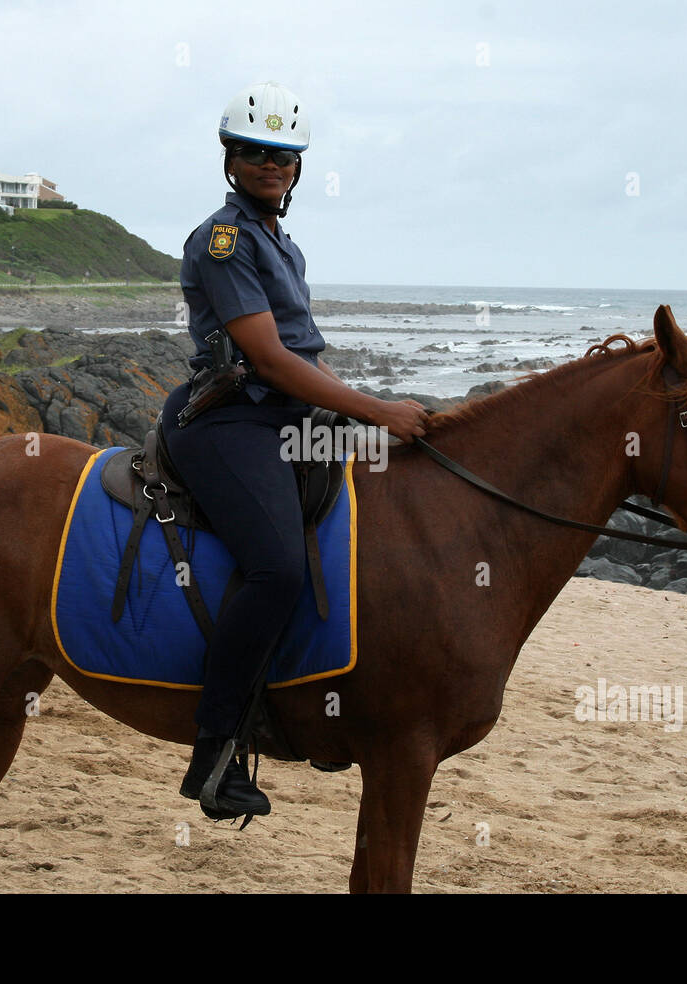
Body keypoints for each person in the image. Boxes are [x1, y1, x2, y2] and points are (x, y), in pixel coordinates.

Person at [163, 82, 429, 819]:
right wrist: (374, 408)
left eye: (283, 155)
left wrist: (371, 421)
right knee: (277, 569)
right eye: (255, 152)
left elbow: (305, 363)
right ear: (230, 158)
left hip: (289, 416)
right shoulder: (223, 240)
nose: (270, 165)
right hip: (230, 425)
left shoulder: (285, 242)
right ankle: (215, 756)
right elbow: (273, 362)